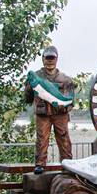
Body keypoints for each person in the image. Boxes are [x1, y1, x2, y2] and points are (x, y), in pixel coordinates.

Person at [25, 45, 76, 173]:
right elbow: (27, 98)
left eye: (52, 58)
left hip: (60, 114)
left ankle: (67, 164)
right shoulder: (36, 77)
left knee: (64, 138)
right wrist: (29, 87)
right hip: (43, 114)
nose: (50, 61)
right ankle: (40, 164)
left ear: (56, 59)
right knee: (41, 139)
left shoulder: (65, 79)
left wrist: (66, 107)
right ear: (43, 59)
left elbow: (71, 100)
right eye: (47, 58)